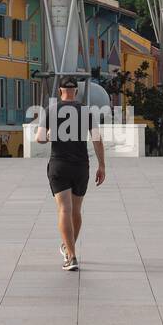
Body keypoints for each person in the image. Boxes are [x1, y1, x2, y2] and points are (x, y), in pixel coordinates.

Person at [35, 78, 105, 271]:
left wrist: (49, 135)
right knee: (76, 210)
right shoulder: (86, 111)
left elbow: (39, 138)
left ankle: (71, 255)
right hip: (81, 165)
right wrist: (102, 166)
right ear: (75, 91)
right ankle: (68, 246)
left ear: (60, 90)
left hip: (59, 164)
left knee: (64, 210)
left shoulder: (50, 110)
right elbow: (97, 140)